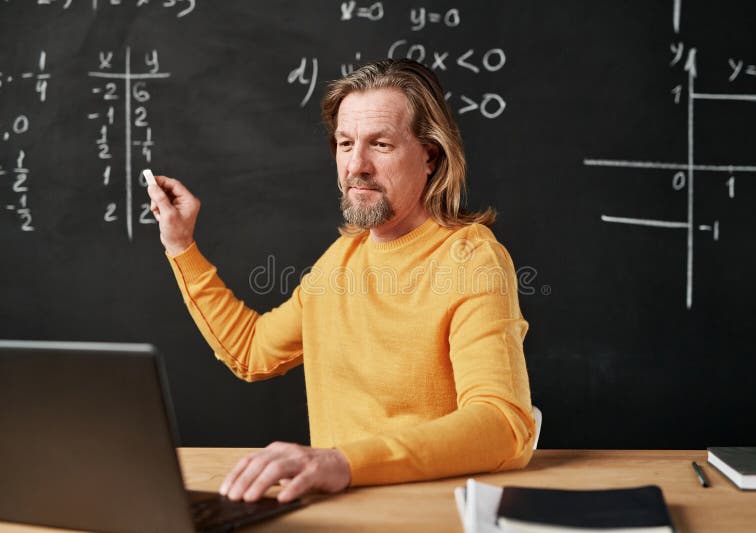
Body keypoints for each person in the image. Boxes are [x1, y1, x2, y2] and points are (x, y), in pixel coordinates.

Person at [146, 59, 536, 504]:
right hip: (339, 508)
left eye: (381, 145)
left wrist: (344, 463)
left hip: (426, 512)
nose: (356, 165)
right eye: (346, 143)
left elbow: (503, 425)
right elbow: (251, 352)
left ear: (430, 156)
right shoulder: (341, 259)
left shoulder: (471, 258)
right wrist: (181, 245)